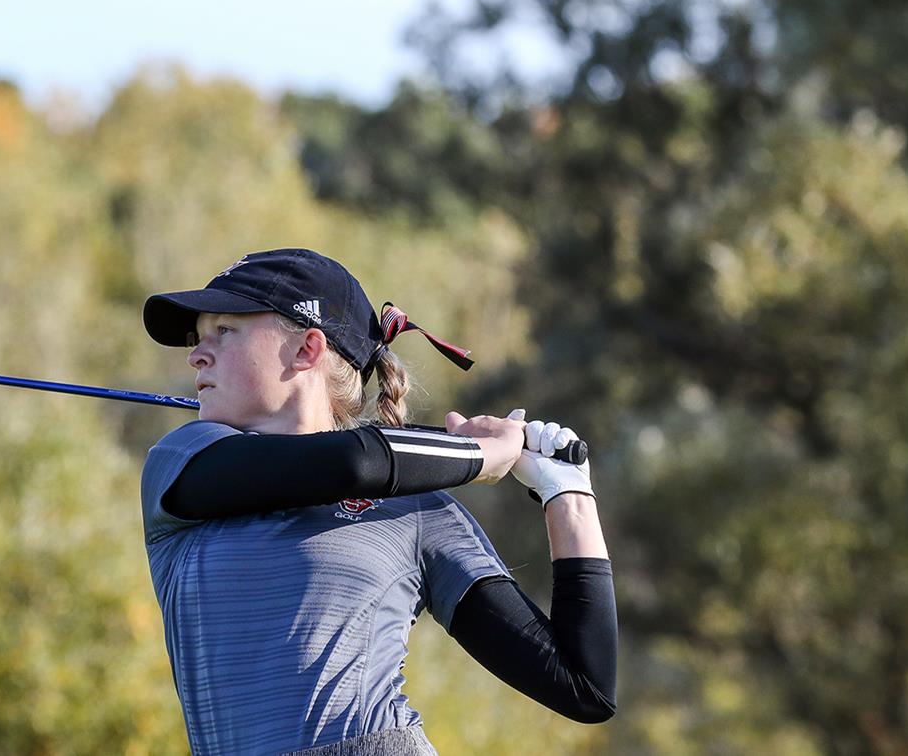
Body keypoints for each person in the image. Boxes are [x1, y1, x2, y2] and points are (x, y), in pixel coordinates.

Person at [140, 248, 616, 756]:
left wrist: (567, 493)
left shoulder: (413, 510)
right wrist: (482, 452)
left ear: (306, 349)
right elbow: (354, 462)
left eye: (224, 331)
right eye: (198, 338)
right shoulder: (184, 463)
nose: (196, 355)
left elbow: (582, 686)